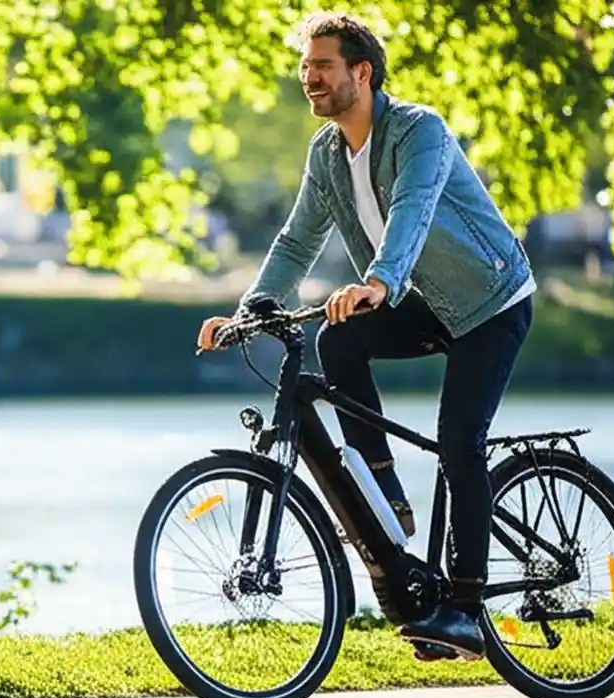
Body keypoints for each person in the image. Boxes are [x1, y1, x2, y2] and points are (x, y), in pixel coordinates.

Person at [196, 11, 535, 661]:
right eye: (305, 67)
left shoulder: (419, 131)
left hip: (488, 299)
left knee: (459, 440)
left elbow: (412, 210)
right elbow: (298, 240)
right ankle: (384, 493)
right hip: (417, 297)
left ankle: (465, 609)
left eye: (322, 66)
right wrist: (250, 310)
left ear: (362, 72)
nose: (309, 78)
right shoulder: (326, 154)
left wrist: (378, 282)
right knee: (336, 340)